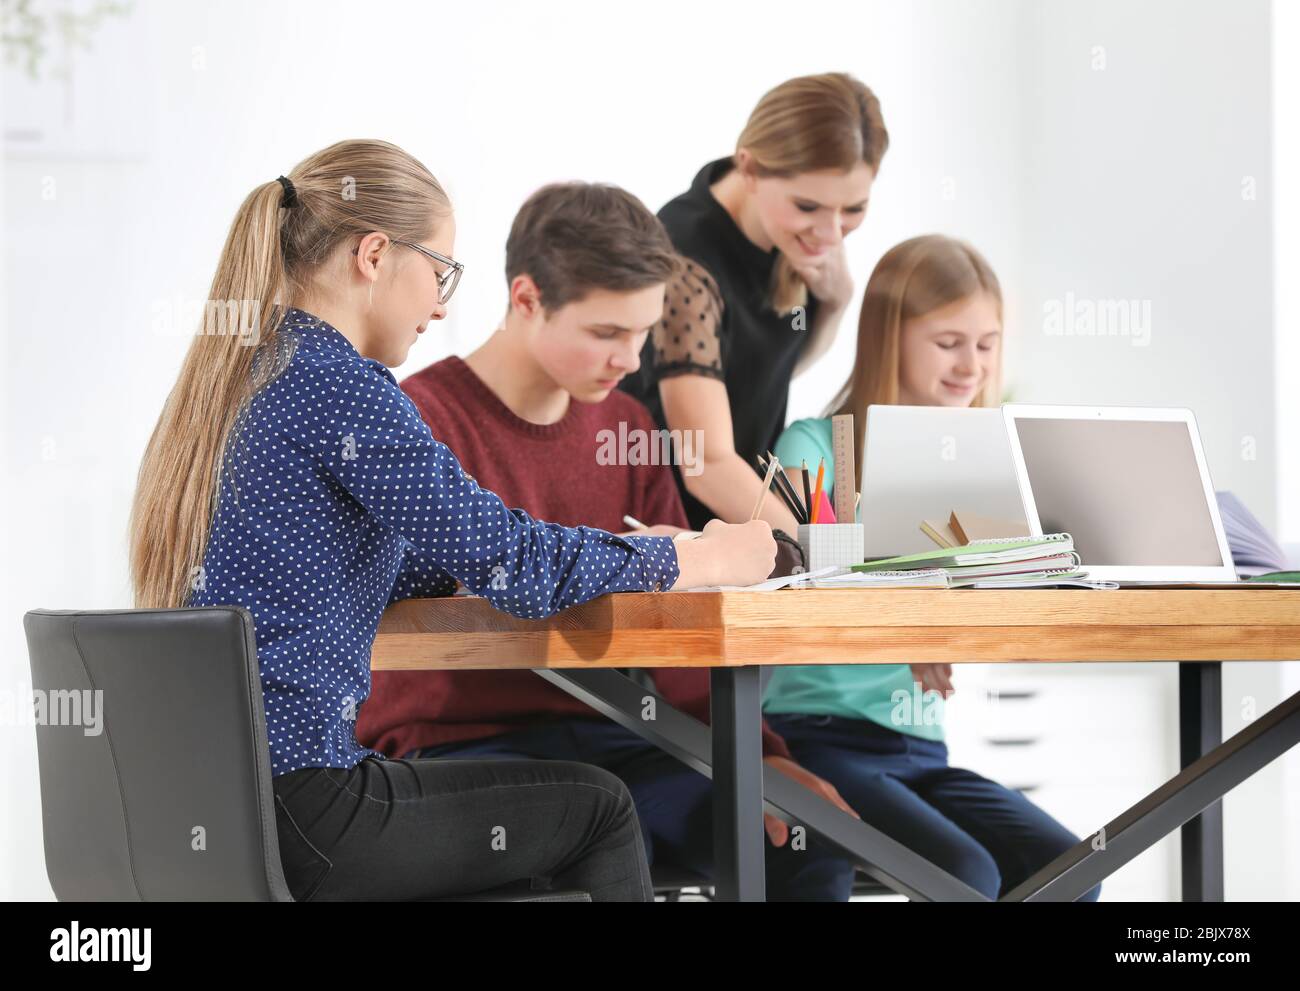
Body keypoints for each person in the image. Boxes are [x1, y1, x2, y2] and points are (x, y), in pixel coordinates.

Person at [128, 139, 776, 902]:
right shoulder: (342, 386)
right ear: (375, 255)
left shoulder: (249, 374)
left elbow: (360, 562)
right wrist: (696, 557)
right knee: (598, 809)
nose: (441, 305)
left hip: (207, 805)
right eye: (440, 272)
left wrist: (601, 552)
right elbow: (521, 570)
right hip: (305, 807)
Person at [357, 181, 858, 900]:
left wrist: (758, 756)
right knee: (605, 840)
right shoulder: (421, 421)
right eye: (606, 333)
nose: (632, 358)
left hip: (618, 733)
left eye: (643, 333)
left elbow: (681, 618)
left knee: (800, 847)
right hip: (455, 743)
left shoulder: (627, 423)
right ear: (526, 299)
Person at [768, 234, 1101, 901]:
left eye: (986, 344)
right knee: (965, 873)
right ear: (890, 337)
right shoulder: (815, 446)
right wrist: (904, 623)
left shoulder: (984, 462)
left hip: (922, 748)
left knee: (1070, 868)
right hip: (821, 736)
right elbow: (800, 574)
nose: (971, 365)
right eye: (948, 342)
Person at [621, 71, 888, 532]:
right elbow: (706, 463)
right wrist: (810, 554)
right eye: (808, 206)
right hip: (669, 529)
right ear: (749, 167)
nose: (830, 233)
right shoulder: (687, 262)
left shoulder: (790, 238)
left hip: (741, 519)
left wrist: (836, 303)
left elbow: (760, 376)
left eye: (853, 209)